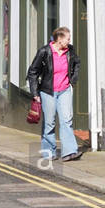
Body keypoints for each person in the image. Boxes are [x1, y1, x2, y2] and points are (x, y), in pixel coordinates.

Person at [26, 26, 82, 162]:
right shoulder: (44, 52)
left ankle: (69, 152)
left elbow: (76, 63)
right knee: (49, 123)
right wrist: (35, 92)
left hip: (64, 90)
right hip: (47, 92)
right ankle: (49, 152)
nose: (69, 41)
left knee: (66, 120)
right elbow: (32, 72)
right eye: (67, 38)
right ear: (59, 39)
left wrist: (72, 79)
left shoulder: (70, 50)